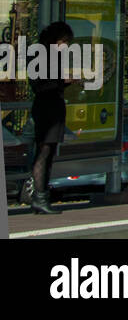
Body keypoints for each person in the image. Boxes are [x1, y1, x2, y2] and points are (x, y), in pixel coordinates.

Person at [24, 21, 77, 215]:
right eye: (63, 41)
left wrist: (65, 82)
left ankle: (42, 195)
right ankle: (39, 196)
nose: (65, 46)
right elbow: (40, 85)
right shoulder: (38, 55)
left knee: (49, 152)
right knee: (44, 152)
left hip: (53, 107)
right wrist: (63, 81)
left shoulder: (52, 57)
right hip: (46, 108)